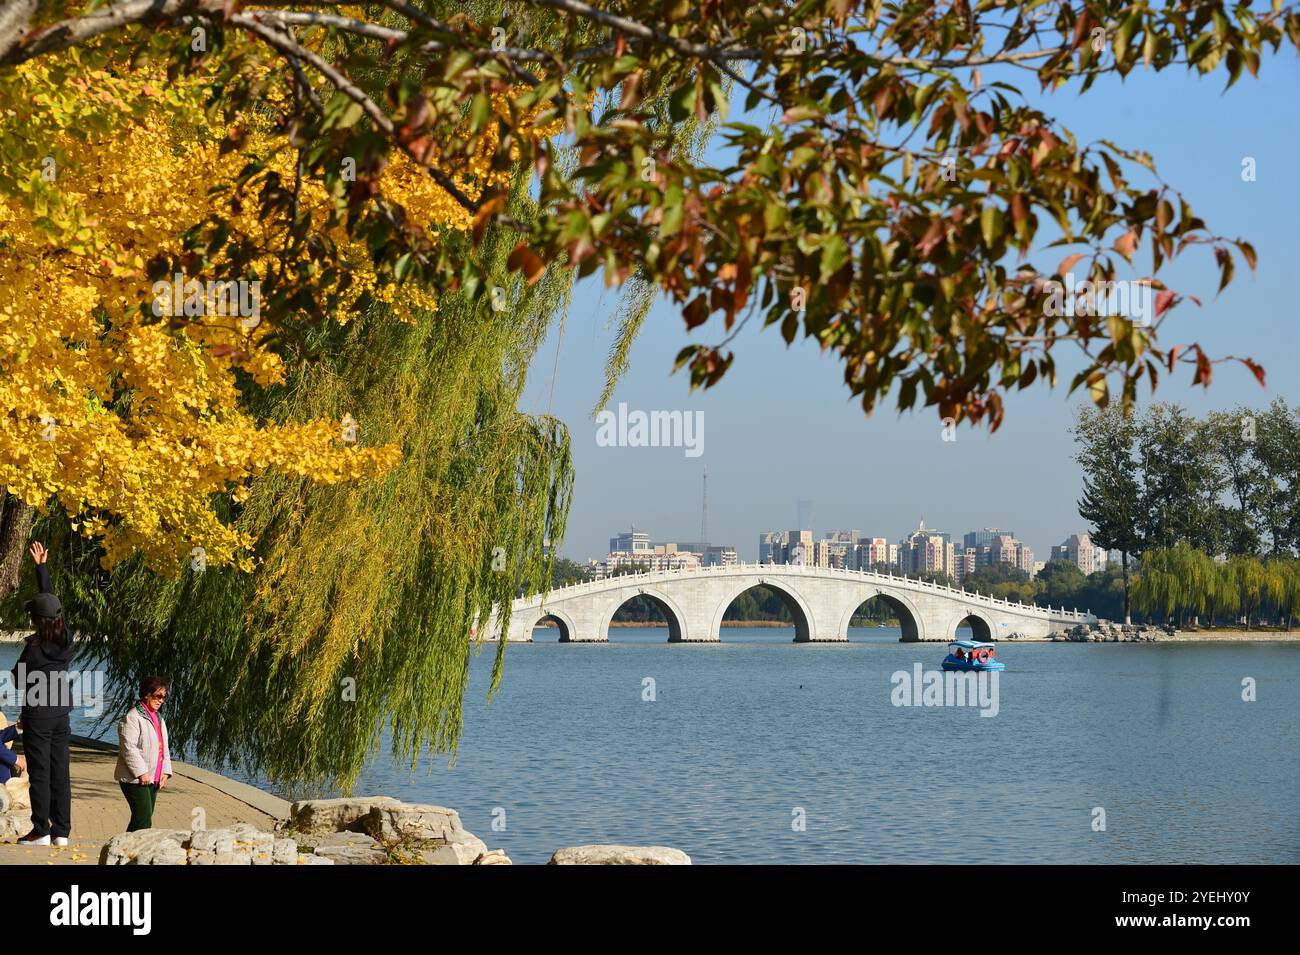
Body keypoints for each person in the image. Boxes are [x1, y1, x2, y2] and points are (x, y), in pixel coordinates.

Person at [13, 541, 73, 846]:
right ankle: (62, 832)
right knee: (60, 771)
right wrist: (41, 569)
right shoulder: (65, 639)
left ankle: (41, 828)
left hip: (38, 715)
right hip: (61, 713)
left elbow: (17, 679)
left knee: (40, 772)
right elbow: (51, 604)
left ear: (36, 620)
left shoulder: (33, 650)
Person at [115, 676, 172, 831]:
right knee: (143, 819)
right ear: (147, 694)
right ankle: (132, 851)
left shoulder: (159, 718)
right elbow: (128, 748)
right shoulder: (133, 717)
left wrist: (166, 771)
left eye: (164, 697)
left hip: (154, 777)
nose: (161, 701)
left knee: (142, 818)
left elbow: (164, 747)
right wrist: (142, 772)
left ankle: (123, 849)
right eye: (158, 696)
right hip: (134, 778)